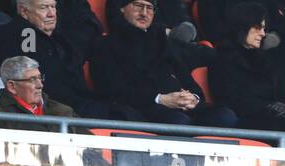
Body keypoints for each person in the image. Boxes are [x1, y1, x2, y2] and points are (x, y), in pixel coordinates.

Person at [92, 0, 231, 127]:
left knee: (224, 116)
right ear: (122, 8)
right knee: (179, 122)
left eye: (149, 8)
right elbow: (111, 90)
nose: (144, 13)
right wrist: (160, 99)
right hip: (145, 109)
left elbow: (188, 80)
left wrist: (193, 98)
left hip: (182, 108)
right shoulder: (105, 45)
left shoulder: (164, 43)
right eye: (138, 6)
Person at [0, 0, 114, 120]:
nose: (52, 14)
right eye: (44, 7)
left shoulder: (61, 40)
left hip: (71, 106)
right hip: (44, 111)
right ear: (24, 11)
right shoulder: (12, 35)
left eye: (53, 7)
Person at [207, 3, 285, 132]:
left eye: (264, 29)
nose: (263, 34)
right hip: (246, 122)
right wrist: (267, 106)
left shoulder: (267, 59)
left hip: (275, 119)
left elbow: (284, 94)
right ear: (242, 26)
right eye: (258, 27)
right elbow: (229, 100)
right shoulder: (221, 59)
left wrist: (284, 106)